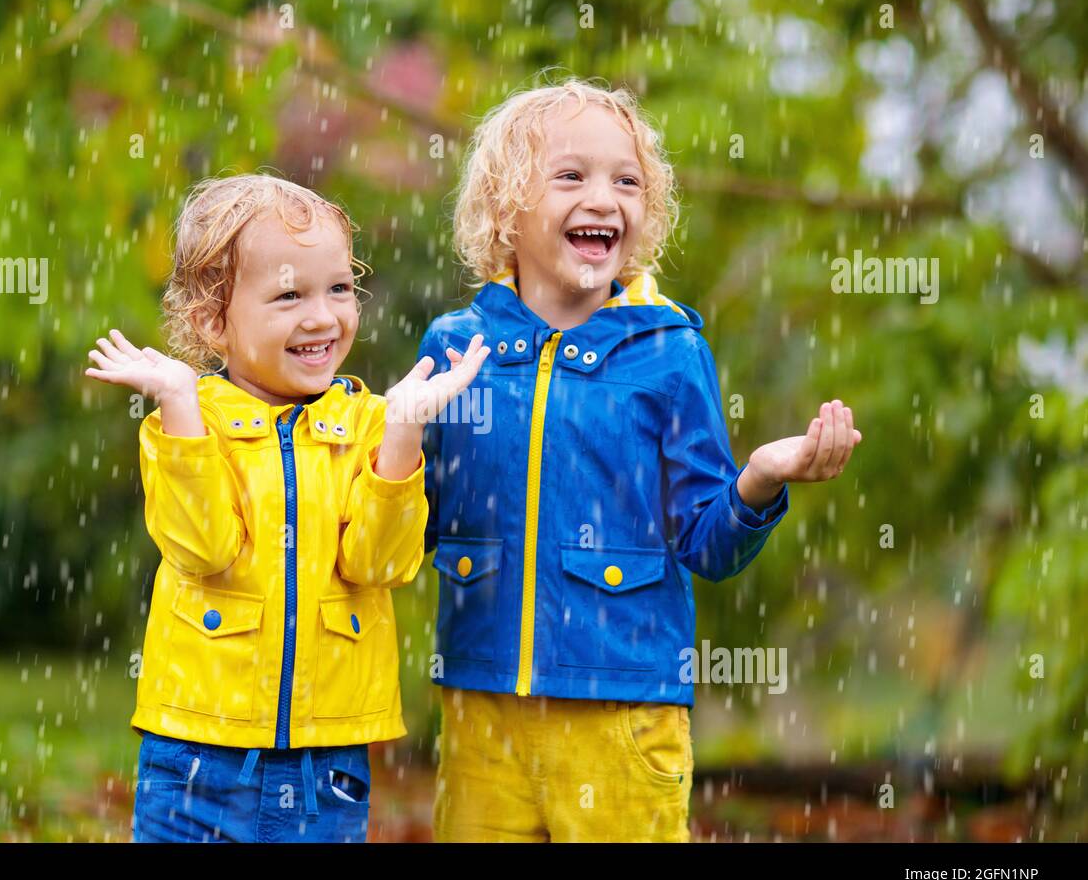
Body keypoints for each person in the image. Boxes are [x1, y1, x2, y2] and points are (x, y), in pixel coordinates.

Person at [416, 78, 863, 841]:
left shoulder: (670, 352)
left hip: (625, 714)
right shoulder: (456, 348)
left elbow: (708, 544)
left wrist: (757, 480)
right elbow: (405, 520)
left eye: (627, 181)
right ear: (503, 206)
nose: (604, 199)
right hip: (480, 710)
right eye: (570, 176)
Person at [85, 173, 489, 841]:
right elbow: (202, 546)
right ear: (214, 321)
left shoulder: (370, 422)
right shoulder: (191, 419)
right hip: (194, 754)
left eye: (338, 288)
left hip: (324, 763)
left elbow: (381, 563)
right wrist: (179, 407)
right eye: (289, 295)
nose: (322, 316)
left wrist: (405, 432)